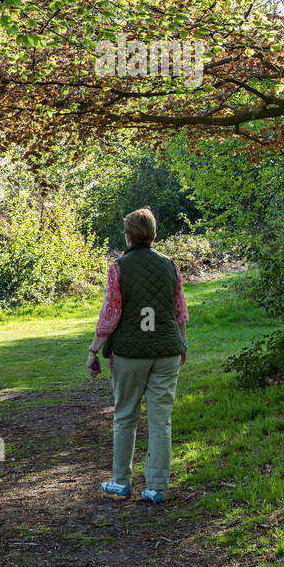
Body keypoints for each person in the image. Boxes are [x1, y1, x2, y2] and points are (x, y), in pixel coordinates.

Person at [87, 207, 188, 504]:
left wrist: (94, 349)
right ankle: (156, 486)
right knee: (161, 421)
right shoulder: (170, 265)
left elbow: (111, 314)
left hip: (131, 352)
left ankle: (121, 481)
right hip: (167, 350)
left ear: (128, 235)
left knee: (125, 416)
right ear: (154, 233)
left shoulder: (119, 267)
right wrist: (182, 345)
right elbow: (179, 310)